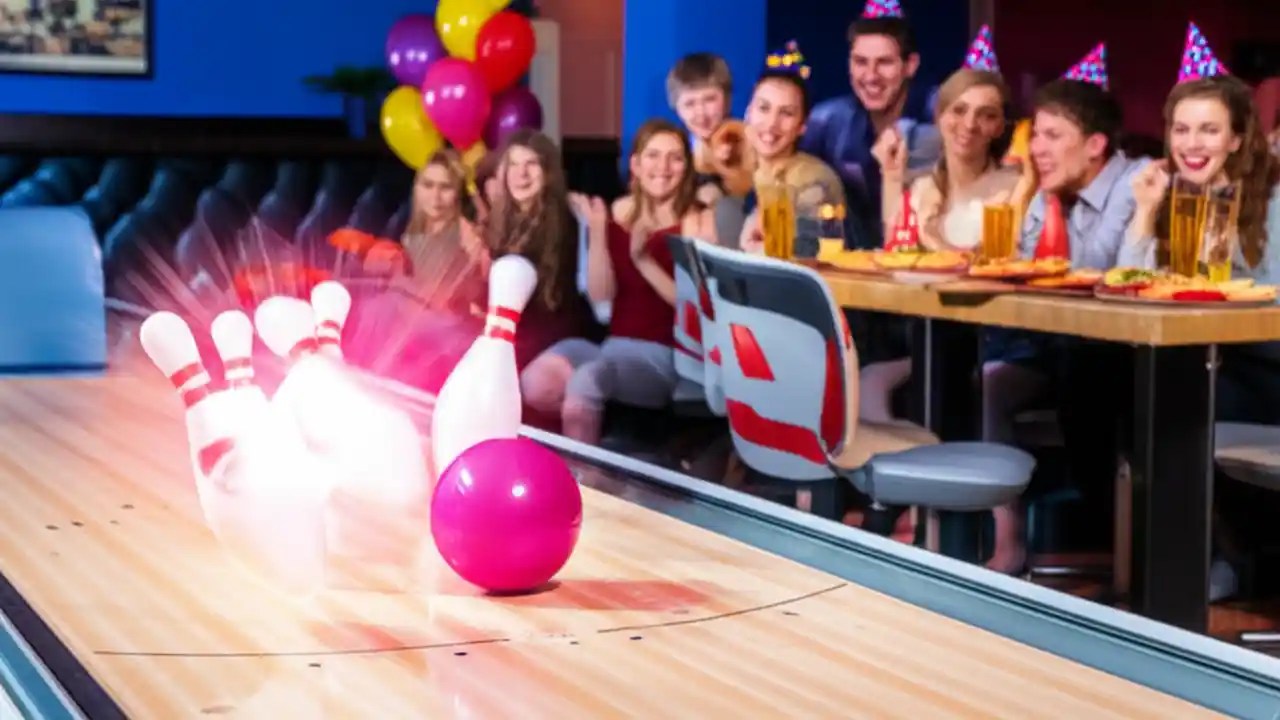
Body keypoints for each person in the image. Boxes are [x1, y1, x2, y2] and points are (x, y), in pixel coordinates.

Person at [1120, 75, 1280, 600]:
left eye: (1209, 130)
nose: (1192, 144)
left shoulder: (1272, 201)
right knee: (1116, 387)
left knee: (1182, 405)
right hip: (1199, 359)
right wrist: (1144, 211)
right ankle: (1182, 561)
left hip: (1264, 366)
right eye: (1182, 129)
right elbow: (1130, 287)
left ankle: (1216, 558)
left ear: (1237, 139)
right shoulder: (1169, 196)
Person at [982, 76, 1148, 574]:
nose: (1037, 148)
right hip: (1063, 344)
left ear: (1095, 145)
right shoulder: (1051, 183)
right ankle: (1004, 538)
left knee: (1087, 379)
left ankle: (1135, 552)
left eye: (1053, 136)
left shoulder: (1134, 180)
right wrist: (1035, 191)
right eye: (1036, 135)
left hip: (1133, 351)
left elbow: (1100, 270)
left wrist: (1047, 195)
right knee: (988, 378)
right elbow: (1022, 264)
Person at [521, 119, 716, 444]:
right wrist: (597, 231)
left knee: (586, 381)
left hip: (665, 356)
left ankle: (587, 484)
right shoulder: (619, 211)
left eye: (675, 157)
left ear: (686, 166)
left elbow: (694, 308)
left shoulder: (697, 220)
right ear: (636, 165)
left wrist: (644, 260)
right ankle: (597, 445)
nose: (663, 167)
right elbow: (602, 295)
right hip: (613, 347)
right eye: (653, 155)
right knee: (536, 381)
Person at [345, 149, 488, 392]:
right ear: (417, 188)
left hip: (448, 328)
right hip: (408, 316)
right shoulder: (410, 233)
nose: (436, 196)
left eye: (445, 187)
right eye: (428, 185)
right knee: (375, 307)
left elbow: (470, 295)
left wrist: (478, 255)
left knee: (383, 309)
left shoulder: (466, 233)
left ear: (457, 193)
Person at [800, 11, 941, 249]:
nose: (871, 76)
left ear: (911, 65)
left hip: (927, 264)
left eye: (884, 62)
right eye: (861, 62)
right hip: (852, 269)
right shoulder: (828, 121)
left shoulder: (943, 116)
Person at [484, 129, 605, 374]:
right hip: (513, 342)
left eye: (532, 164)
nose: (522, 174)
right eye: (514, 165)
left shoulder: (570, 218)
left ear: (548, 172)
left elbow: (575, 309)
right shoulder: (498, 223)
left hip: (559, 343)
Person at [737, 42, 845, 256]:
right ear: (748, 112)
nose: (771, 124)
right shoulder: (735, 170)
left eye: (786, 113)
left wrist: (763, 247)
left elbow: (811, 253)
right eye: (764, 108)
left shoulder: (815, 180)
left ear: (802, 125)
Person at [667, 52, 734, 205]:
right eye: (690, 104)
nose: (701, 114)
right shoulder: (670, 148)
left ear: (727, 99)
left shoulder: (749, 143)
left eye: (709, 100)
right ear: (676, 107)